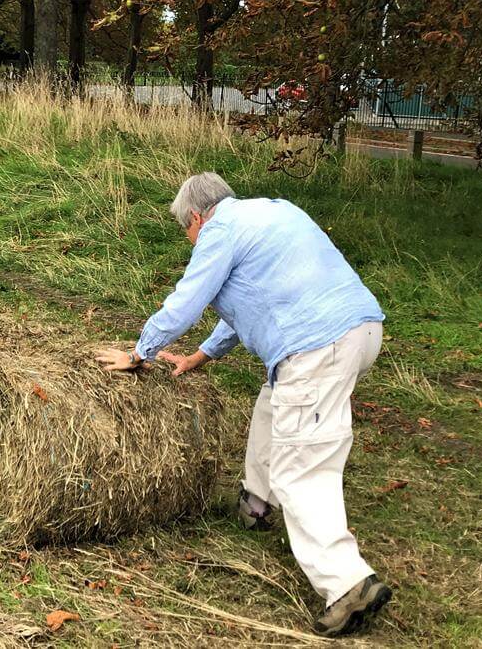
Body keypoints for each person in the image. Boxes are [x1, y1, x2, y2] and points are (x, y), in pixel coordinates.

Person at [95, 172, 391, 637]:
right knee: (274, 404)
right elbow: (251, 303)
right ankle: (255, 502)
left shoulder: (219, 231)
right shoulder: (272, 212)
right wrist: (201, 355)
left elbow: (187, 301)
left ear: (196, 217)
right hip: (360, 329)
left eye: (186, 230)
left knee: (302, 468)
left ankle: (347, 583)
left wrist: (138, 353)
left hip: (316, 347)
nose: (190, 239)